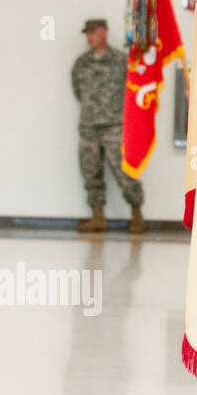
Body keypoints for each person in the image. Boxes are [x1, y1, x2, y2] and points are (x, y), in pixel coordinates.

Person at [72, 19, 146, 234]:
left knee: (125, 172)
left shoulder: (121, 61)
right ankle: (97, 217)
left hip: (115, 126)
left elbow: (133, 90)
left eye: (92, 32)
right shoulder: (81, 63)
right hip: (88, 126)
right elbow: (78, 91)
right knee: (90, 171)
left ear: (103, 32)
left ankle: (137, 216)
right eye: (87, 33)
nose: (89, 37)